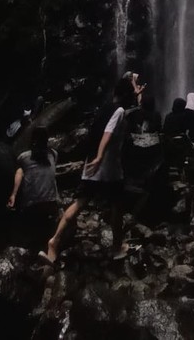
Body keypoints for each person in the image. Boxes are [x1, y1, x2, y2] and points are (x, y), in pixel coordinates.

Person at [39, 78, 136, 264]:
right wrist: (100, 157)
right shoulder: (120, 111)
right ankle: (117, 247)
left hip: (91, 165)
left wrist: (94, 158)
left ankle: (54, 241)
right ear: (126, 95)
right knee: (117, 207)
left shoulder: (105, 109)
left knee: (79, 203)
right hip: (108, 168)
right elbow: (108, 134)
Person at [10, 126, 59, 247]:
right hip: (52, 203)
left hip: (32, 206)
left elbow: (19, 174)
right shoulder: (53, 154)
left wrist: (13, 195)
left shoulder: (24, 157)